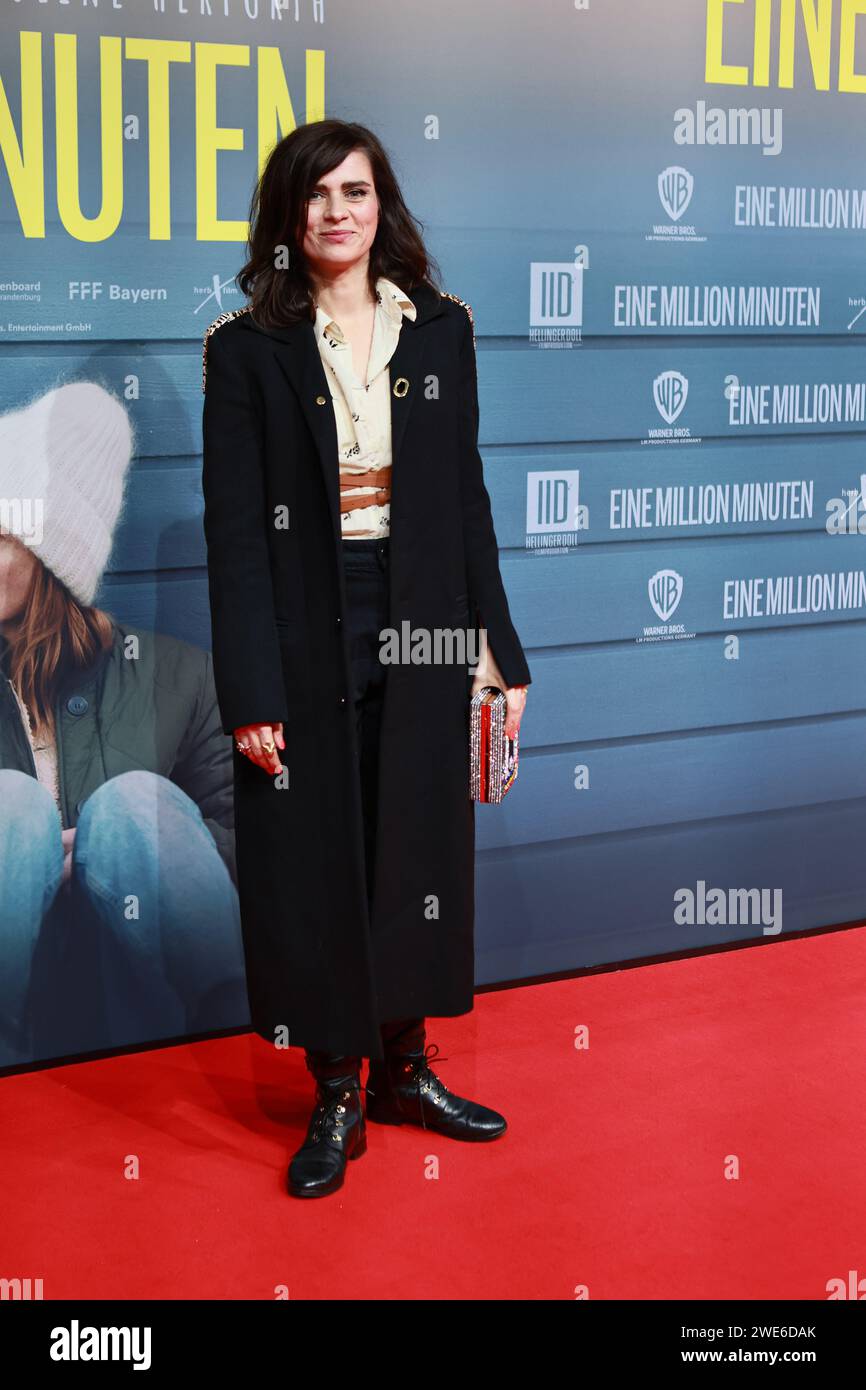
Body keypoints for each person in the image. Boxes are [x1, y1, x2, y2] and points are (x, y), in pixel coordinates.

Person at [201, 118, 532, 1199]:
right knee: (317, 855)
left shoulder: (441, 329)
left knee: (415, 844)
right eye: (316, 194)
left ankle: (404, 1070)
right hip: (308, 615)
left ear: (381, 204)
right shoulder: (244, 349)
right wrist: (250, 691)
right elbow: (235, 537)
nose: (337, 211)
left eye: (355, 190)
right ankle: (335, 1090)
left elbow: (466, 499)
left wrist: (497, 650)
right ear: (287, 215)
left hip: (421, 610)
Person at [0, 382, 244, 1069]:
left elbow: (251, 845)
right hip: (19, 1038)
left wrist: (116, 848)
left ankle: (234, 1048)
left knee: (133, 805)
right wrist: (26, 855)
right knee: (11, 807)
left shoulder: (182, 678)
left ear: (52, 556)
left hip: (147, 1017)